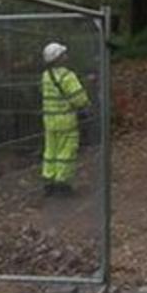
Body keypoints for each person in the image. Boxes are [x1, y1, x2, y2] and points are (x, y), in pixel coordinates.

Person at [41, 41, 90, 196]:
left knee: (51, 151)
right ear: (59, 58)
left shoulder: (45, 76)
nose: (66, 56)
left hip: (49, 120)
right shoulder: (68, 76)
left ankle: (49, 180)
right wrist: (86, 104)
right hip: (66, 120)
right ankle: (62, 184)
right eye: (63, 54)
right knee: (66, 151)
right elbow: (79, 99)